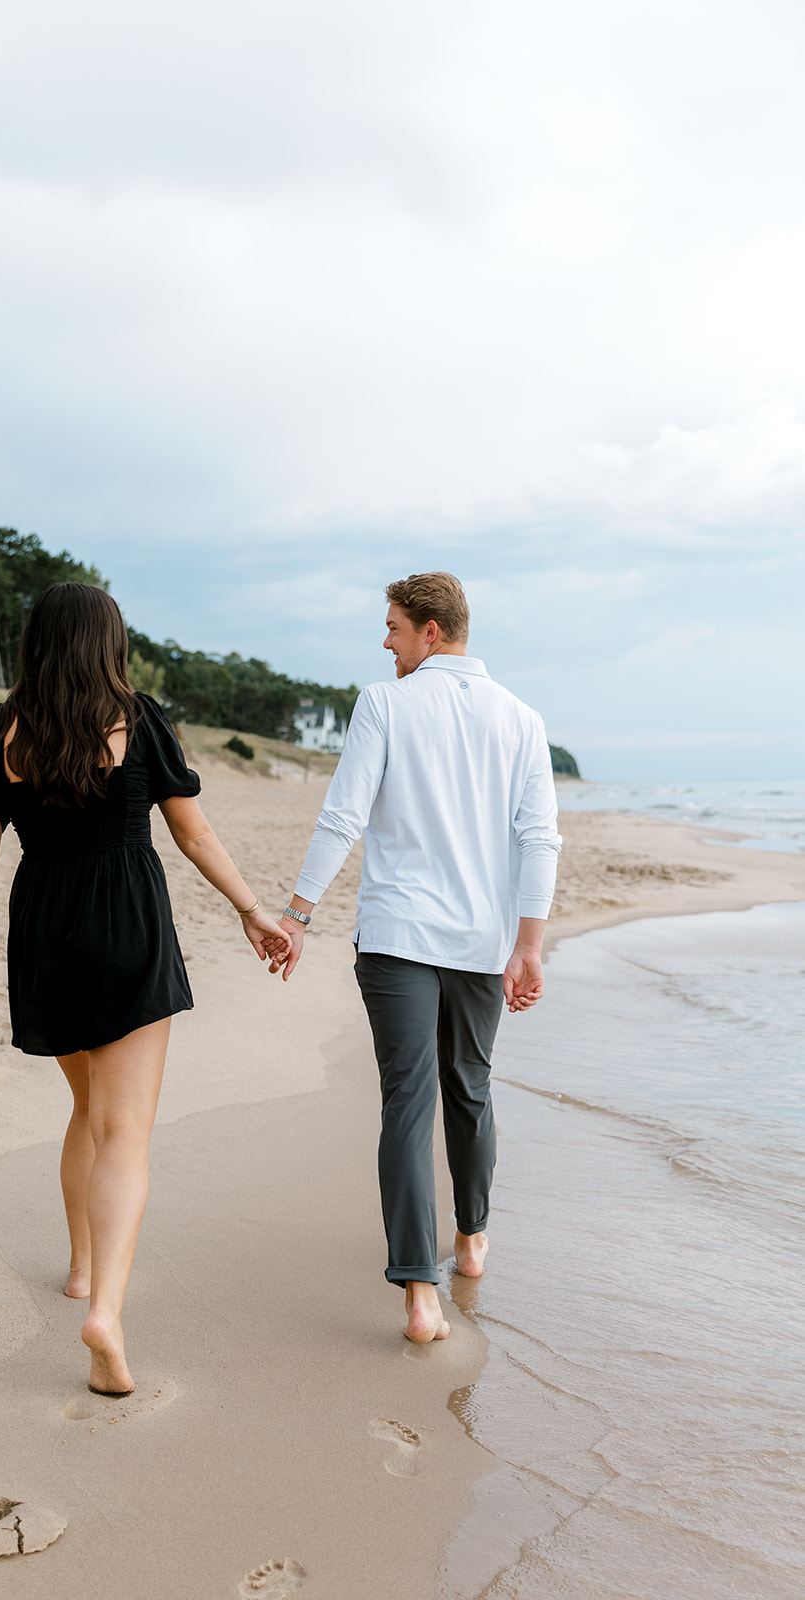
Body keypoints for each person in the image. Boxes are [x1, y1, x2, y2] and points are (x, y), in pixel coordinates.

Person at [0, 582, 291, 1396]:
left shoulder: (0, 731)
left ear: (36, 643)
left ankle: (77, 1268)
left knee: (86, 1110)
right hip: (127, 919)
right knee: (125, 1130)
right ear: (110, 643)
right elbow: (191, 831)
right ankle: (105, 1309)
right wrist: (251, 910)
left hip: (44, 926)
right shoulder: (138, 720)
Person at [277, 572, 560, 1343]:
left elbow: (343, 816)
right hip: (479, 941)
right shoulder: (522, 720)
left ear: (430, 632)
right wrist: (528, 946)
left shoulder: (384, 704)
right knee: (469, 1086)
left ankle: (418, 1297)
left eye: (394, 626)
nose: (386, 641)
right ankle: (470, 1238)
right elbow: (539, 838)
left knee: (408, 1099)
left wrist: (297, 912)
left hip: (398, 935)